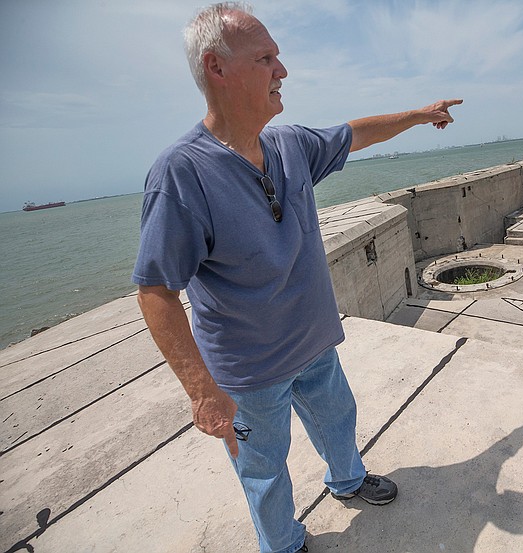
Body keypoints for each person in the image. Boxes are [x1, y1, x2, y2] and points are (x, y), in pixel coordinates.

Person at [132, 3, 462, 552]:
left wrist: (418, 115)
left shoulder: (289, 145)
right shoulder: (180, 174)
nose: (282, 71)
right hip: (248, 371)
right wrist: (202, 392)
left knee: (339, 419)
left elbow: (353, 134)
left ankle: (348, 480)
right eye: (266, 59)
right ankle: (283, 544)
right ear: (217, 68)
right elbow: (156, 291)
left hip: (313, 343)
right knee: (264, 471)